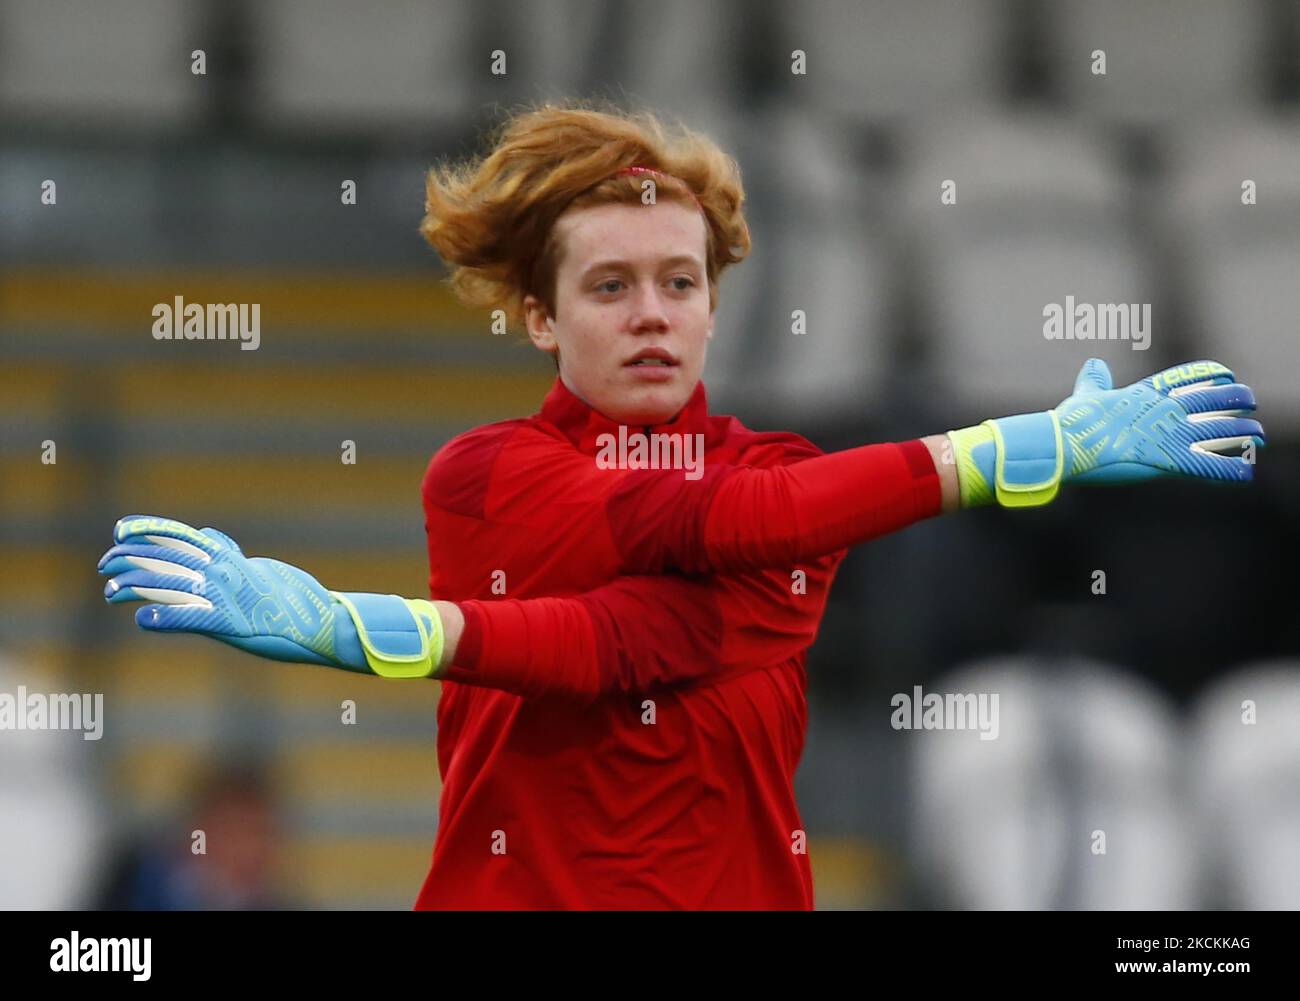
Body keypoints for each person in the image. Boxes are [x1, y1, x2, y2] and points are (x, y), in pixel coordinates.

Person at [98, 101, 1265, 909]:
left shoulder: (783, 478)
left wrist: (355, 629)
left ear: (714, 308)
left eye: (680, 281)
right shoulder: (487, 473)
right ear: (542, 318)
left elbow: (644, 616)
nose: (652, 312)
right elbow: (655, 585)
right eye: (609, 285)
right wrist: (1033, 446)